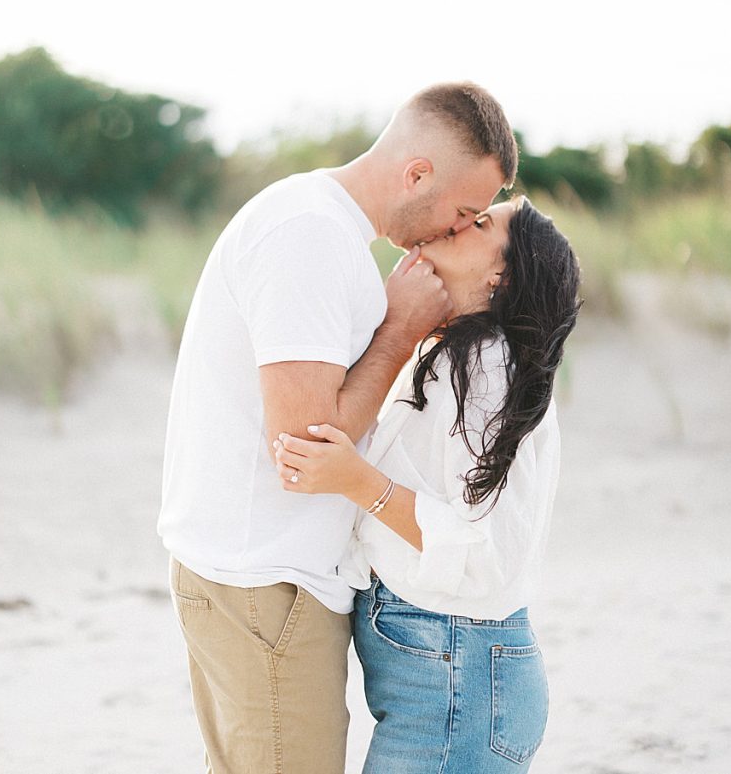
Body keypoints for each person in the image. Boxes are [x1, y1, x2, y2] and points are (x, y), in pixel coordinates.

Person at [159, 82, 519, 774]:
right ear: (417, 174)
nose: (455, 230)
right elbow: (305, 441)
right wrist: (399, 330)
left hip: (260, 577)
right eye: (463, 211)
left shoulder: (326, 230)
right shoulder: (310, 234)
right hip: (263, 581)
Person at [273, 197, 580, 772]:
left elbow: (480, 550)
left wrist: (357, 481)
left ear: (501, 275)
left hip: (458, 678)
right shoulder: (450, 351)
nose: (459, 221)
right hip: (448, 675)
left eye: (481, 223)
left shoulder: (489, 367)